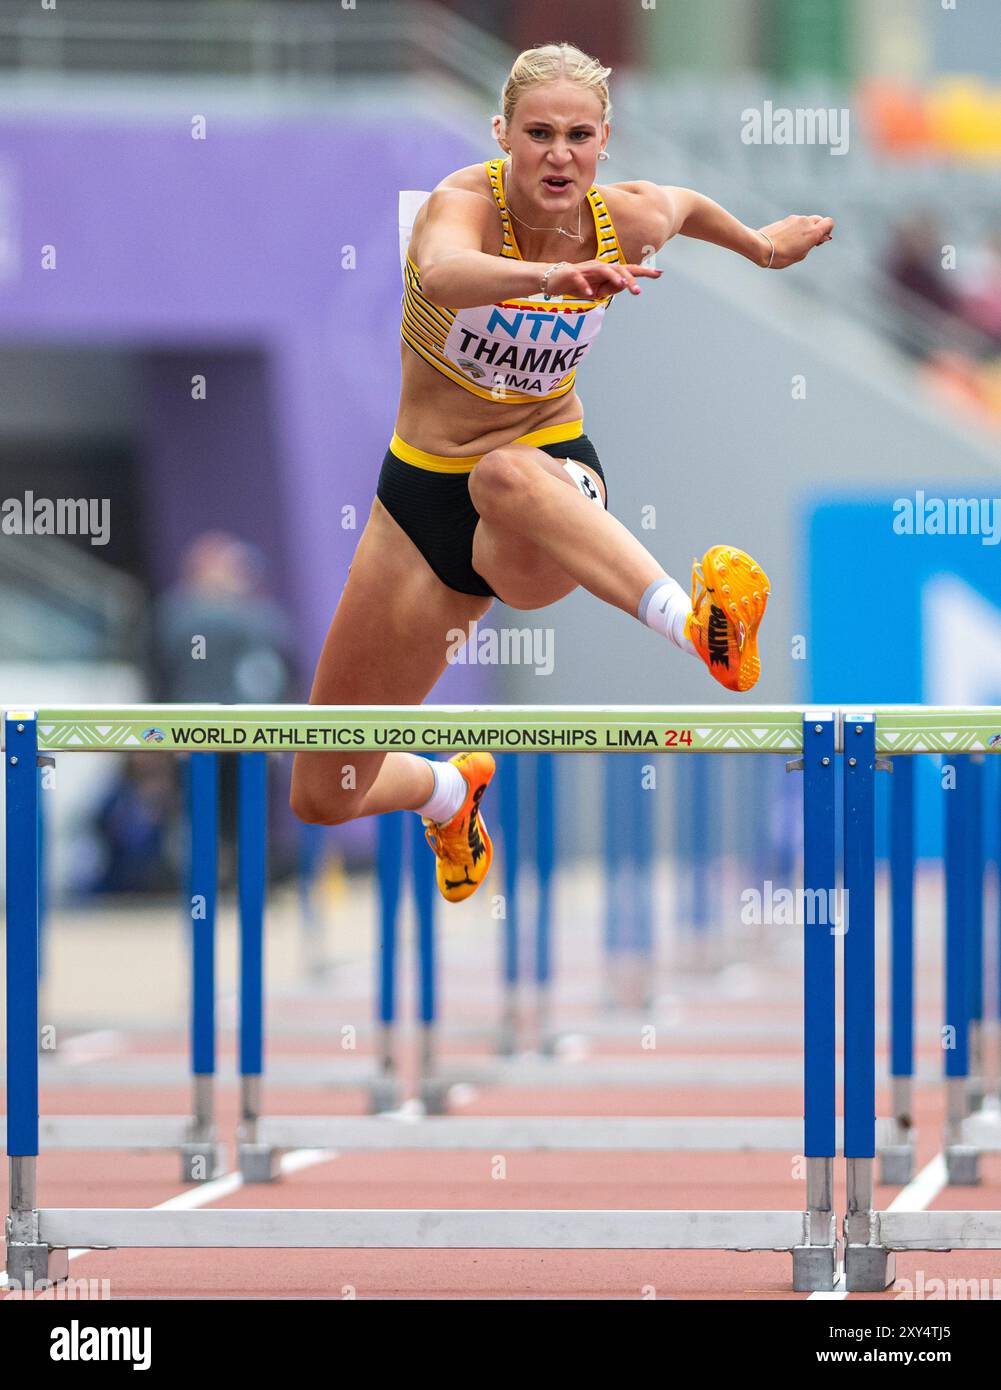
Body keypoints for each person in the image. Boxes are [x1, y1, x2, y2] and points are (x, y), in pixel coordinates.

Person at [291, 42, 833, 904]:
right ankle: (447, 792)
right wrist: (550, 274)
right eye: (537, 133)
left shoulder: (624, 216)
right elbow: (443, 272)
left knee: (502, 475)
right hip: (415, 503)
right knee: (324, 791)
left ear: (604, 141)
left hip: (545, 489)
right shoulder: (458, 205)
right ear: (500, 133)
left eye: (578, 135)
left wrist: (761, 248)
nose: (558, 153)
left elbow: (686, 204)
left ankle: (698, 628)